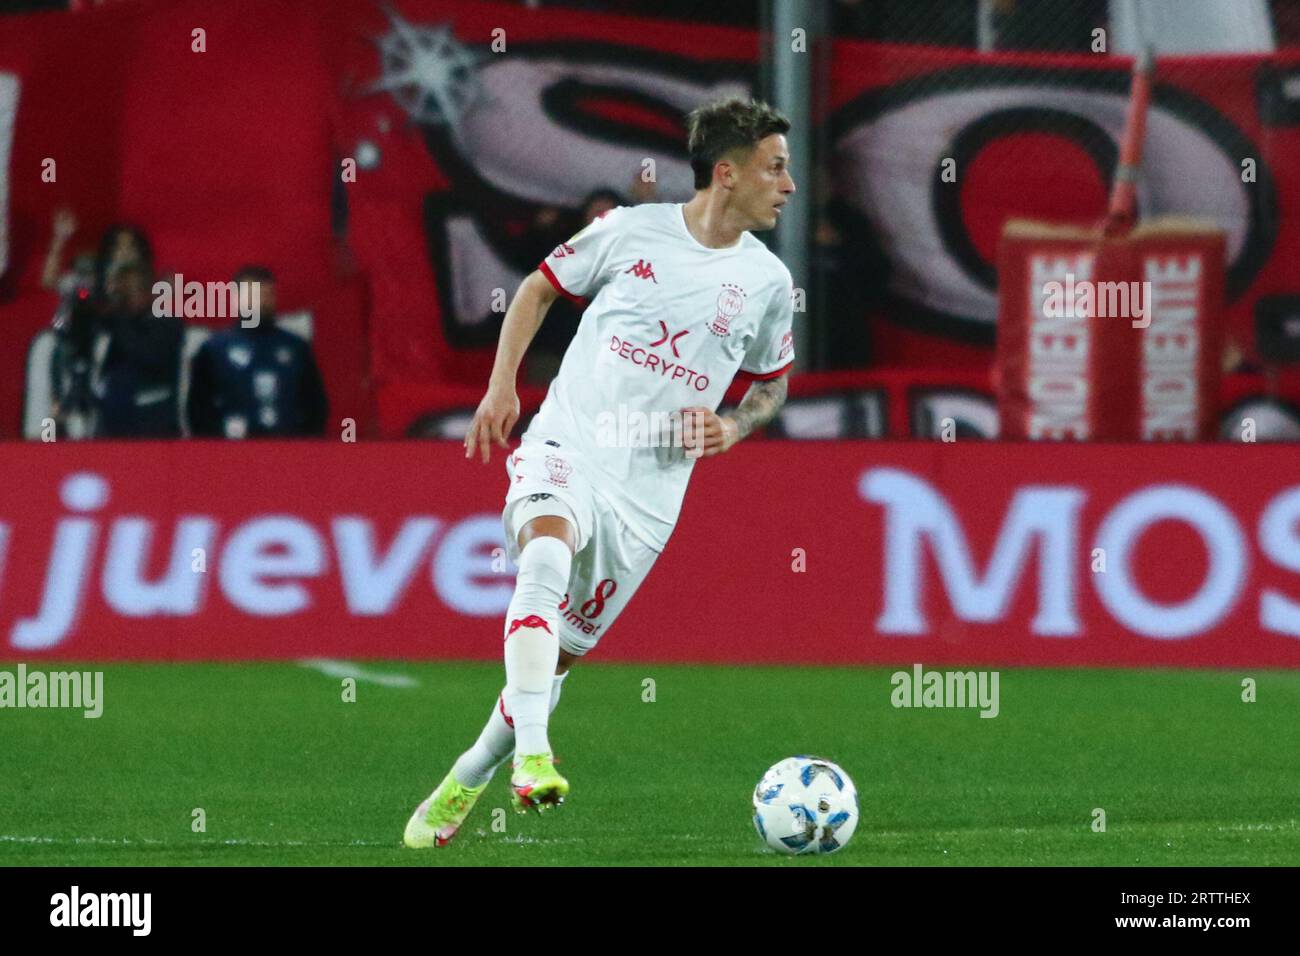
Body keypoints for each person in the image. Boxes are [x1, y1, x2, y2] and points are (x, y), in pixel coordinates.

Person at [405, 96, 797, 848]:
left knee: (557, 657)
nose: (788, 184)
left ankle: (471, 771)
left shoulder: (769, 283)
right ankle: (533, 756)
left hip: (649, 495)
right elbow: (538, 288)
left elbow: (773, 382)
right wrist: (500, 387)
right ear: (727, 173)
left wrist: (732, 424)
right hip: (569, 444)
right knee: (543, 555)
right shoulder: (628, 231)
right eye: (775, 168)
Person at [186, 266, 328, 438]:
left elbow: (316, 404)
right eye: (253, 296)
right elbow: (198, 410)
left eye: (267, 295)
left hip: (289, 451)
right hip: (232, 454)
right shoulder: (214, 349)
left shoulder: (296, 347)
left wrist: (304, 443)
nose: (262, 303)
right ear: (236, 298)